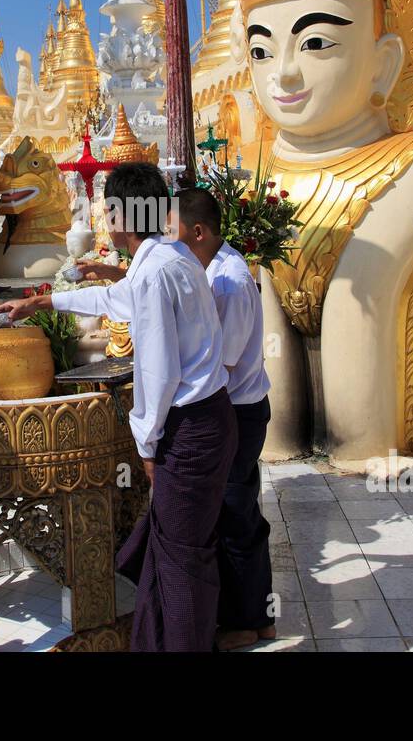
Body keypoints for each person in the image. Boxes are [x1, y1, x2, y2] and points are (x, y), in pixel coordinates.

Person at [0, 162, 235, 652]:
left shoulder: (159, 268)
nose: (103, 216)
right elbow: (118, 296)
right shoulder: (172, 257)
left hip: (189, 427)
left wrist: (146, 442)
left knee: (180, 562)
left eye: (107, 207)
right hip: (212, 418)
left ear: (121, 213)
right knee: (178, 552)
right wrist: (43, 304)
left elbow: (160, 371)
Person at [170, 188, 275, 650]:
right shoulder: (208, 269)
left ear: (197, 232)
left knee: (235, 515)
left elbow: (224, 363)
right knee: (232, 513)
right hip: (230, 408)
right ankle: (253, 617)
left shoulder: (229, 281)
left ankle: (247, 622)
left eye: (173, 231)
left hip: (237, 410)